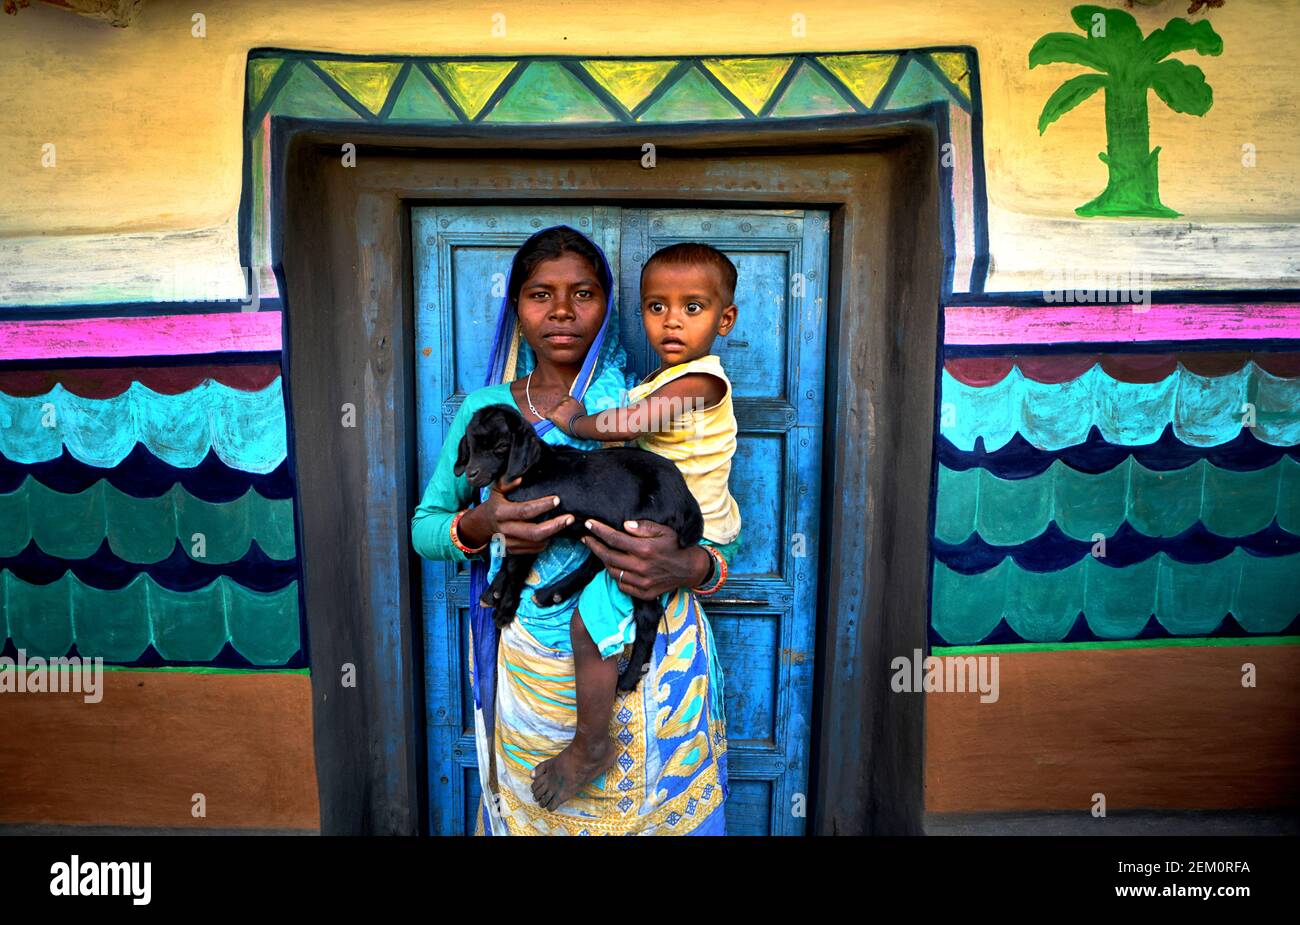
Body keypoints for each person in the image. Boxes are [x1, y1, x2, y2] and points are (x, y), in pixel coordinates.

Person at [410, 225, 732, 835]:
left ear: (609, 306)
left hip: (650, 653)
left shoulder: (642, 403)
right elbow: (425, 528)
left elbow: (712, 531)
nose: (561, 311)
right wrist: (484, 522)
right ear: (516, 307)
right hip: (533, 667)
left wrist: (687, 566)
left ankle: (596, 744)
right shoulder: (485, 412)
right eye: (540, 295)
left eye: (583, 293)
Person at [538, 242, 742, 807]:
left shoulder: (700, 383)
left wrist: (578, 421)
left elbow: (631, 422)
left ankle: (589, 746)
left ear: (725, 320)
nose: (672, 320)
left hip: (679, 526)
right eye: (657, 307)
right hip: (662, 511)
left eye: (693, 308)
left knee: (587, 627)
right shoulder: (664, 378)